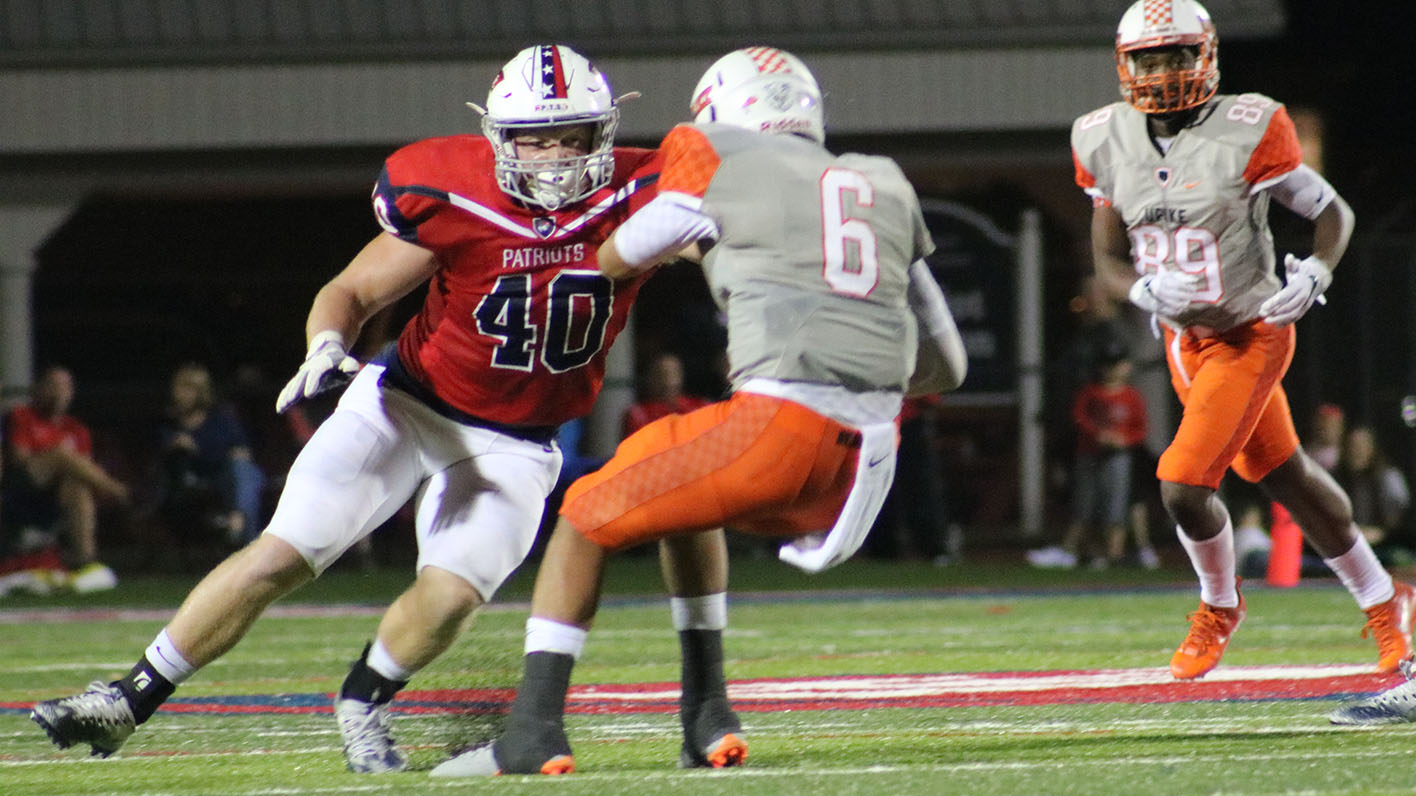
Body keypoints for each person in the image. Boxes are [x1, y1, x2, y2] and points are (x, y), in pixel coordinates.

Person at [30, 44, 742, 774]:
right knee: (283, 554)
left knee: (449, 597)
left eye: (573, 136)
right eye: (536, 137)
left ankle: (363, 699)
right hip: (407, 404)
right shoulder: (455, 191)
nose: (556, 156)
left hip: (519, 442)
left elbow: (725, 243)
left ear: (606, 132)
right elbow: (353, 290)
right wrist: (325, 343)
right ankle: (127, 699)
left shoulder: (642, 190)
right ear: (498, 137)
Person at [428, 45, 967, 777]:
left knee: (585, 511)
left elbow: (639, 241)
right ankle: (707, 715)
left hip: (780, 428)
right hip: (865, 455)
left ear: (719, 114)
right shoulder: (884, 181)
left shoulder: (710, 147)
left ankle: (532, 732)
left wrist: (636, 257)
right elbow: (947, 365)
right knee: (669, 470)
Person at [1072, 0, 1414, 681]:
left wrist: (1317, 268)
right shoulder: (1100, 137)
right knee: (1287, 475)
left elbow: (1331, 212)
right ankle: (1386, 603)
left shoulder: (1249, 125)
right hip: (1182, 341)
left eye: (1175, 54)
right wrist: (1136, 289)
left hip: (1251, 332)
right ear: (1124, 63)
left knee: (1181, 482)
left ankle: (1219, 605)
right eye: (1148, 57)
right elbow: (1106, 258)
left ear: (1207, 56)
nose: (1162, 70)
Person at [1, 365, 128, 593]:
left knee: (78, 486)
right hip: (23, 486)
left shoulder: (76, 429)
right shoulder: (22, 416)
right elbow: (19, 459)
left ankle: (85, 560)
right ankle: (120, 491)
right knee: (61, 455)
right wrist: (58, 459)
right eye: (53, 385)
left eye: (65, 386)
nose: (59, 392)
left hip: (54, 498)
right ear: (39, 389)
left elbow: (85, 471)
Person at [1028, 340, 1152, 569]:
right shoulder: (1090, 392)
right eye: (1108, 364)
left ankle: (1113, 553)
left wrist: (1122, 439)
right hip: (1090, 453)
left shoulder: (1131, 396)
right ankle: (1080, 551)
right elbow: (1080, 418)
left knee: (1115, 505)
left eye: (1116, 364)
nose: (1111, 369)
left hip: (1119, 456)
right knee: (1085, 504)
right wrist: (1099, 435)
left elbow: (1140, 428)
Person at [151, 363, 267, 553]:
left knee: (243, 471)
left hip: (228, 477)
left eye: (188, 388)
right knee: (243, 475)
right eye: (179, 388)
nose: (181, 394)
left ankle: (238, 524)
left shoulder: (220, 420)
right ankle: (246, 538)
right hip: (191, 482)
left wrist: (198, 449)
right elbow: (166, 458)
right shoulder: (168, 424)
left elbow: (242, 451)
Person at [1335, 425, 1412, 565]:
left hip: (1383, 544)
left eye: (1362, 446)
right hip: (1345, 545)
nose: (1357, 451)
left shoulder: (1388, 477)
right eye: (1352, 446)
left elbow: (1400, 519)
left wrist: (1380, 533)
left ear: (1372, 449)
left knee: (1400, 558)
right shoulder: (1335, 478)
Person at [622, 352, 711, 438]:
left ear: (681, 376)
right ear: (650, 379)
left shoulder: (700, 407)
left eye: (673, 373)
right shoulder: (638, 414)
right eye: (660, 374)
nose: (668, 381)